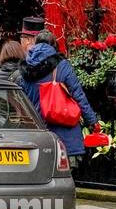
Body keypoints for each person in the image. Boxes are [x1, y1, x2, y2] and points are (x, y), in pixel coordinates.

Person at [19, 30, 98, 168]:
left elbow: (22, 100)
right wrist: (92, 121)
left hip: (38, 131)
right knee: (64, 177)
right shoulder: (62, 65)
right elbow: (78, 95)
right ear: (54, 45)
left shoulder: (26, 67)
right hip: (64, 132)